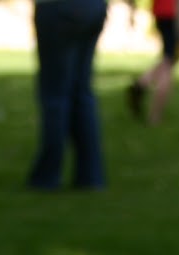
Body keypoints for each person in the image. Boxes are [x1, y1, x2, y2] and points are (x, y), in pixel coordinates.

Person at [27, 0, 108, 191]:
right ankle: (90, 176)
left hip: (59, 7)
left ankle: (47, 176)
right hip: (94, 7)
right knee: (81, 91)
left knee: (55, 94)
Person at [126, 0, 179, 125]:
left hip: (161, 11)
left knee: (170, 58)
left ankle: (140, 84)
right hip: (174, 13)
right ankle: (155, 117)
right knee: (169, 62)